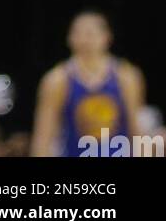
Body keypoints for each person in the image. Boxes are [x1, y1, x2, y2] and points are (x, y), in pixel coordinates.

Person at [30, 11, 145, 156]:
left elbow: (137, 130)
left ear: (107, 37)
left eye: (91, 34)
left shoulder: (127, 76)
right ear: (69, 38)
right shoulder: (56, 80)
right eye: (78, 34)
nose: (85, 40)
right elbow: (43, 137)